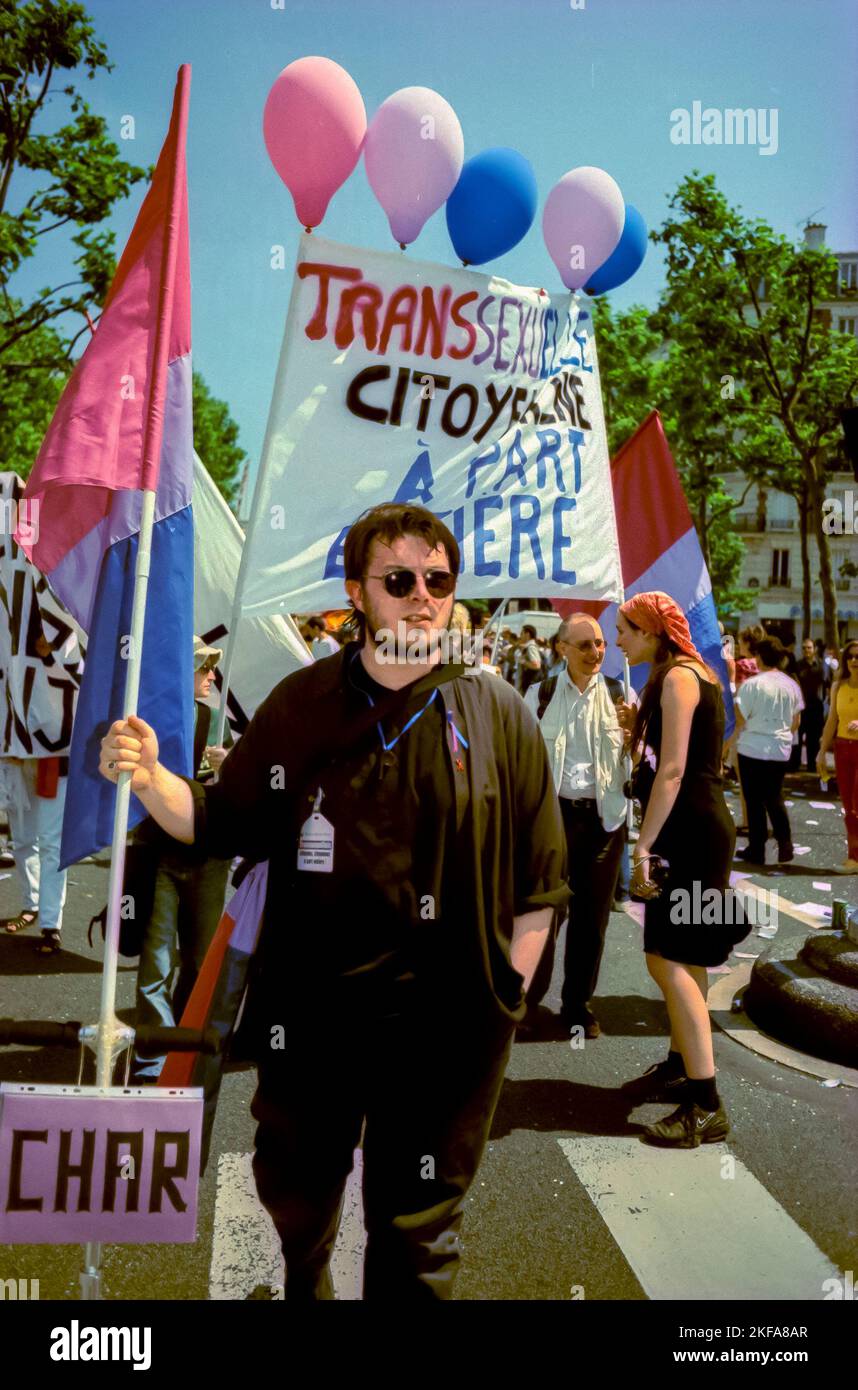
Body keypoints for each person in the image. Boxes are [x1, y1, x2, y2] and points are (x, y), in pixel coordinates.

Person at [99, 502, 568, 1300]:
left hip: (448, 1029)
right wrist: (148, 778)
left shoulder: (501, 715)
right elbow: (219, 818)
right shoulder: (302, 704)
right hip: (313, 1022)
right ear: (358, 592)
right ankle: (305, 1273)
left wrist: (507, 999)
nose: (423, 596)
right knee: (297, 1191)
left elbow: (543, 881)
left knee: (418, 1235)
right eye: (399, 580)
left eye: (438, 580)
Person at [614, 591, 738, 1147]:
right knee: (676, 958)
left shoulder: (677, 679)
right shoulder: (695, 674)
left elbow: (673, 772)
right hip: (700, 829)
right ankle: (681, 1061)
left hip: (689, 835)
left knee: (674, 961)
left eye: (625, 630)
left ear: (650, 632)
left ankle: (705, 1102)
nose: (618, 641)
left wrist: (642, 847)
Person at [128, 637, 233, 1080]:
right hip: (158, 855)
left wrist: (229, 763)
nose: (212, 676)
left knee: (200, 960)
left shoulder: (213, 718)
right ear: (181, 671)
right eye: (205, 667)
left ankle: (184, 1049)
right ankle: (152, 1058)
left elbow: (231, 785)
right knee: (155, 962)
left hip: (207, 857)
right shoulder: (144, 719)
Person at [523, 614, 627, 1037]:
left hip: (605, 822)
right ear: (562, 649)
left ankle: (577, 1007)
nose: (595, 652)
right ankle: (528, 1004)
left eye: (600, 643)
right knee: (545, 916)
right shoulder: (540, 694)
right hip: (555, 819)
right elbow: (523, 760)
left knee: (592, 919)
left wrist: (637, 732)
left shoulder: (621, 694)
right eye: (584, 645)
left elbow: (642, 757)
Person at [733, 637, 803, 867]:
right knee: (774, 797)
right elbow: (796, 720)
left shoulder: (752, 684)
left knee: (753, 800)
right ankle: (785, 843)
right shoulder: (790, 684)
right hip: (779, 747)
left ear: (760, 657)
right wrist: (783, 735)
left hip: (752, 746)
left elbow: (740, 717)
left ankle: (757, 848)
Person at [817, 638, 858, 872]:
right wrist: (822, 752)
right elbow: (832, 719)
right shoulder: (838, 686)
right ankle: (853, 857)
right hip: (843, 748)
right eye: (850, 656)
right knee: (848, 806)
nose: (854, 661)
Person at [791, 638, 830, 772]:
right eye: (804, 648)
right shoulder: (797, 665)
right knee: (797, 737)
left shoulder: (821, 666)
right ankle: (794, 765)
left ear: (814, 649)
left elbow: (827, 685)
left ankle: (812, 766)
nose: (806, 650)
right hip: (800, 707)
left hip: (816, 707)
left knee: (813, 738)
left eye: (809, 647)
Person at [516, 624, 543, 695]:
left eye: (521, 633)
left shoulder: (531, 647)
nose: (520, 636)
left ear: (527, 634)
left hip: (528, 684)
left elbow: (536, 665)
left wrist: (523, 661)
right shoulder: (528, 646)